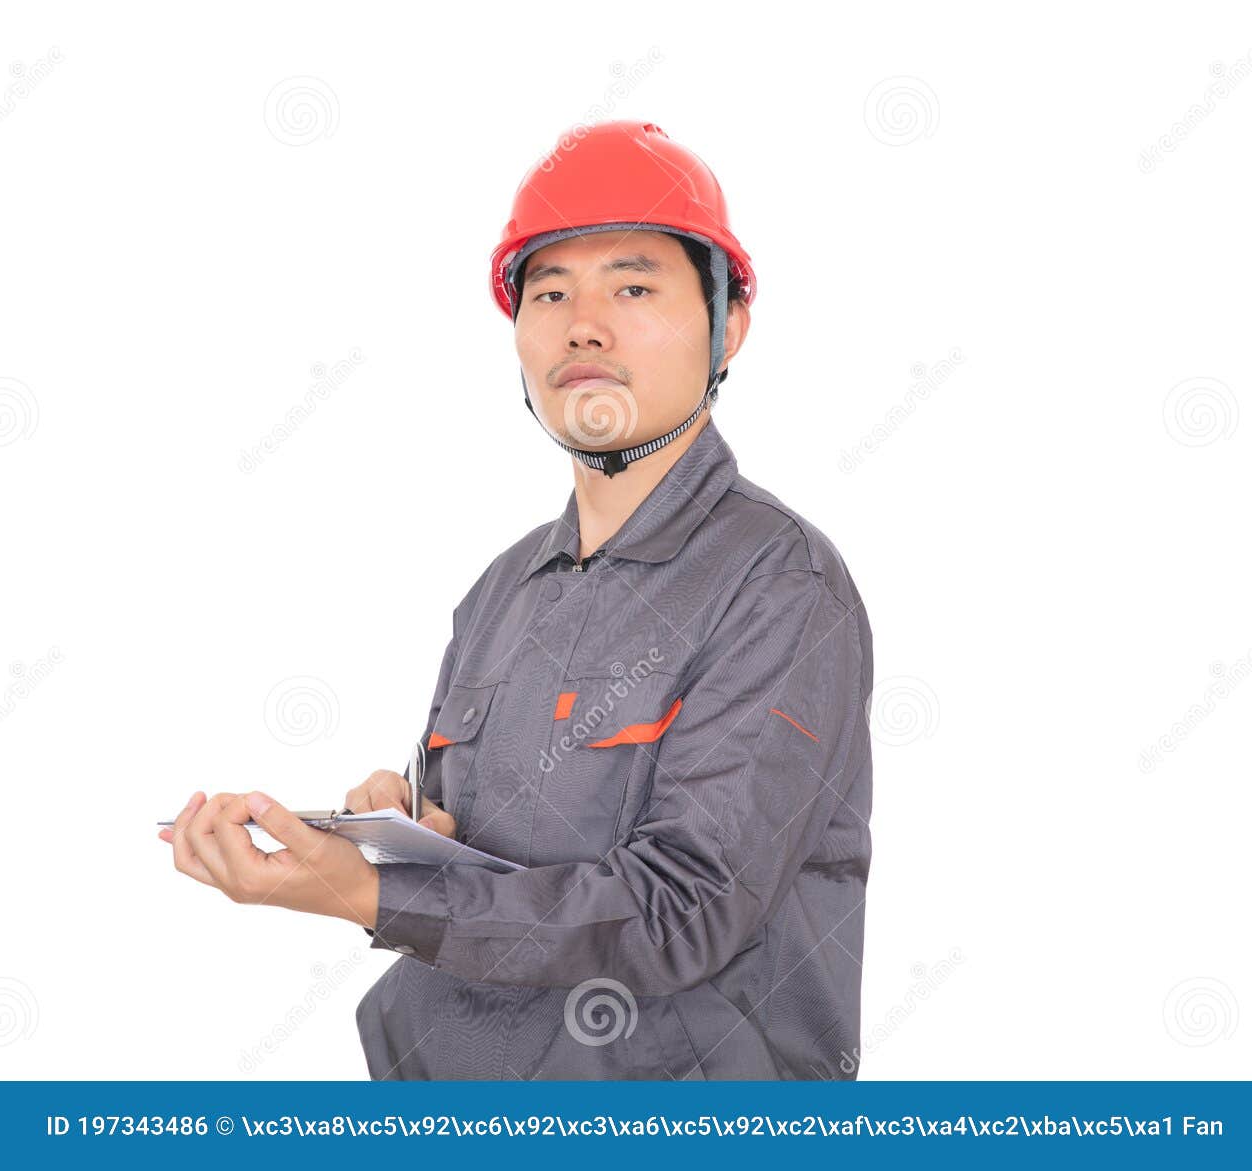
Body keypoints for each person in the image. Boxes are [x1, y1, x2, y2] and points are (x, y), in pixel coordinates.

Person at [160, 120, 873, 1080]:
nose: (584, 323)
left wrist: (370, 897)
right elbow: (487, 868)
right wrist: (408, 832)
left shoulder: (780, 585)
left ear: (727, 323)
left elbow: (680, 911)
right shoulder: (499, 594)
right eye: (550, 291)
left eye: (633, 285)